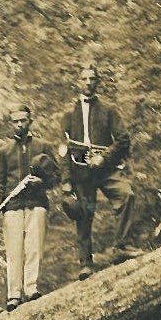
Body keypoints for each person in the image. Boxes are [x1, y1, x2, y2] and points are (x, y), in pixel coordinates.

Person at [61, 66, 141, 279]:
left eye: (92, 79)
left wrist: (103, 157)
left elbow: (123, 139)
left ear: (98, 82)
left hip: (105, 170)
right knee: (85, 215)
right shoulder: (69, 114)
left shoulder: (109, 109)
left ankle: (121, 247)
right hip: (81, 174)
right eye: (84, 78)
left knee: (126, 195)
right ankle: (86, 264)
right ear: (78, 82)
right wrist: (66, 180)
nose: (88, 82)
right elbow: (63, 148)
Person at [0, 105, 59, 310]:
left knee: (34, 248)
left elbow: (56, 176)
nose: (19, 124)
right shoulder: (4, 151)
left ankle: (31, 288)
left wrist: (43, 183)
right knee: (14, 251)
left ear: (30, 121)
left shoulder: (43, 146)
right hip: (12, 205)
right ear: (11, 124)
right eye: (15, 121)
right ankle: (14, 294)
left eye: (23, 120)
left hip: (37, 203)